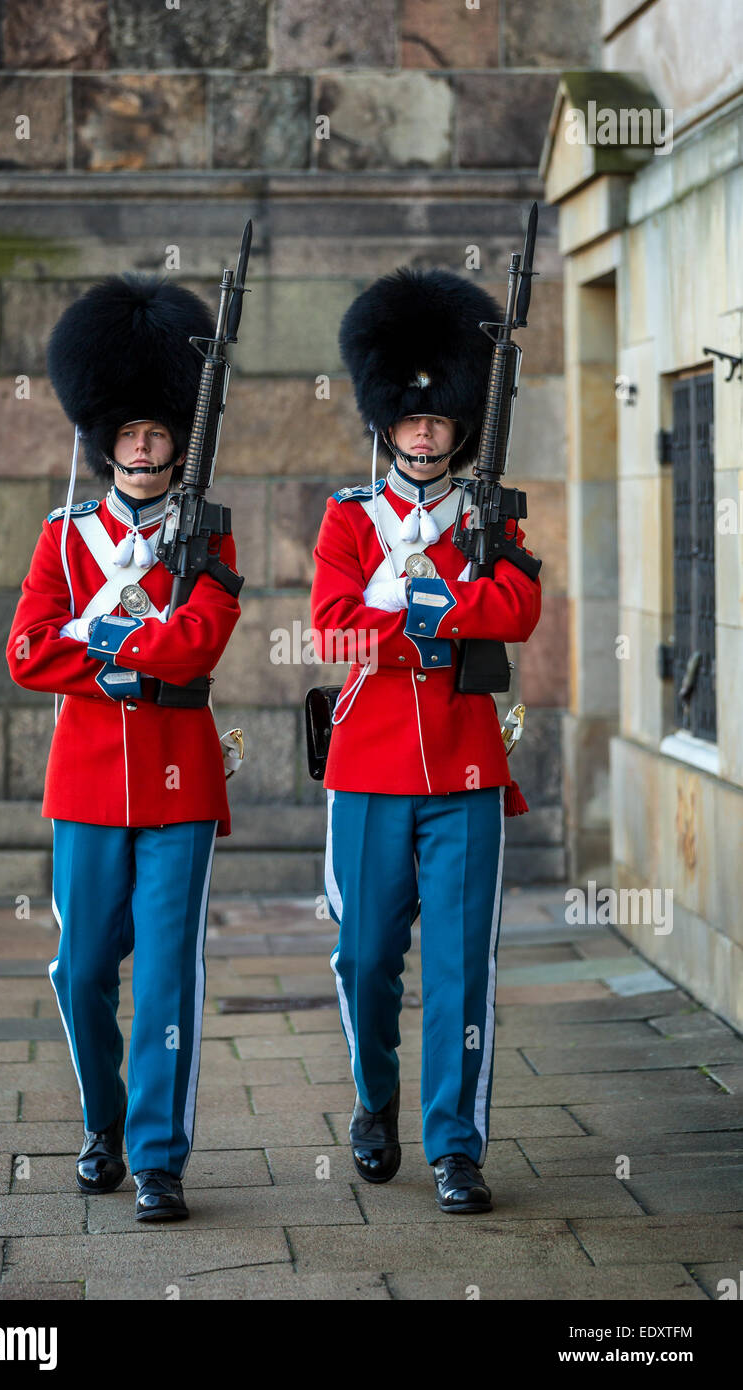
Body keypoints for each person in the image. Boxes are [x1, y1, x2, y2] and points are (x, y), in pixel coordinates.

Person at [6, 276, 242, 1223]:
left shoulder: (207, 539)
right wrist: (121, 659)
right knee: (82, 971)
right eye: (130, 436)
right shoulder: (64, 542)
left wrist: (102, 648)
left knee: (170, 979)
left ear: (179, 441)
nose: (144, 450)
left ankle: (157, 1157)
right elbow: (27, 651)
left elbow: (202, 640)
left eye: (159, 434)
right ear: (106, 443)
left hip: (181, 787)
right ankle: (102, 1123)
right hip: (89, 784)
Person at [310, 267, 543, 1213]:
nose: (421, 432)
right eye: (407, 420)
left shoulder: (493, 512)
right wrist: (436, 616)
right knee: (365, 958)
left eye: (437, 420)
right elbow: (332, 624)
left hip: (465, 768)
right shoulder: (348, 516)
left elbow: (519, 607)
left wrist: (432, 605)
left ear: (457, 425)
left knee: (460, 964)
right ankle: (375, 1098)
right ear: (385, 424)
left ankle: (456, 1144)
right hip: (367, 768)